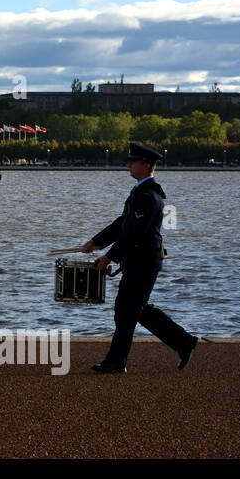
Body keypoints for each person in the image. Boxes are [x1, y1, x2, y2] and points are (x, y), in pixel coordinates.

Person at [82, 143, 197, 373]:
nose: (128, 165)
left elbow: (133, 233)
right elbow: (122, 223)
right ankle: (183, 341)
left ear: (145, 165)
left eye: (132, 161)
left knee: (126, 310)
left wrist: (109, 257)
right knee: (134, 309)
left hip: (144, 261)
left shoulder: (148, 196)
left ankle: (116, 362)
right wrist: (96, 241)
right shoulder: (141, 192)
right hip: (139, 260)